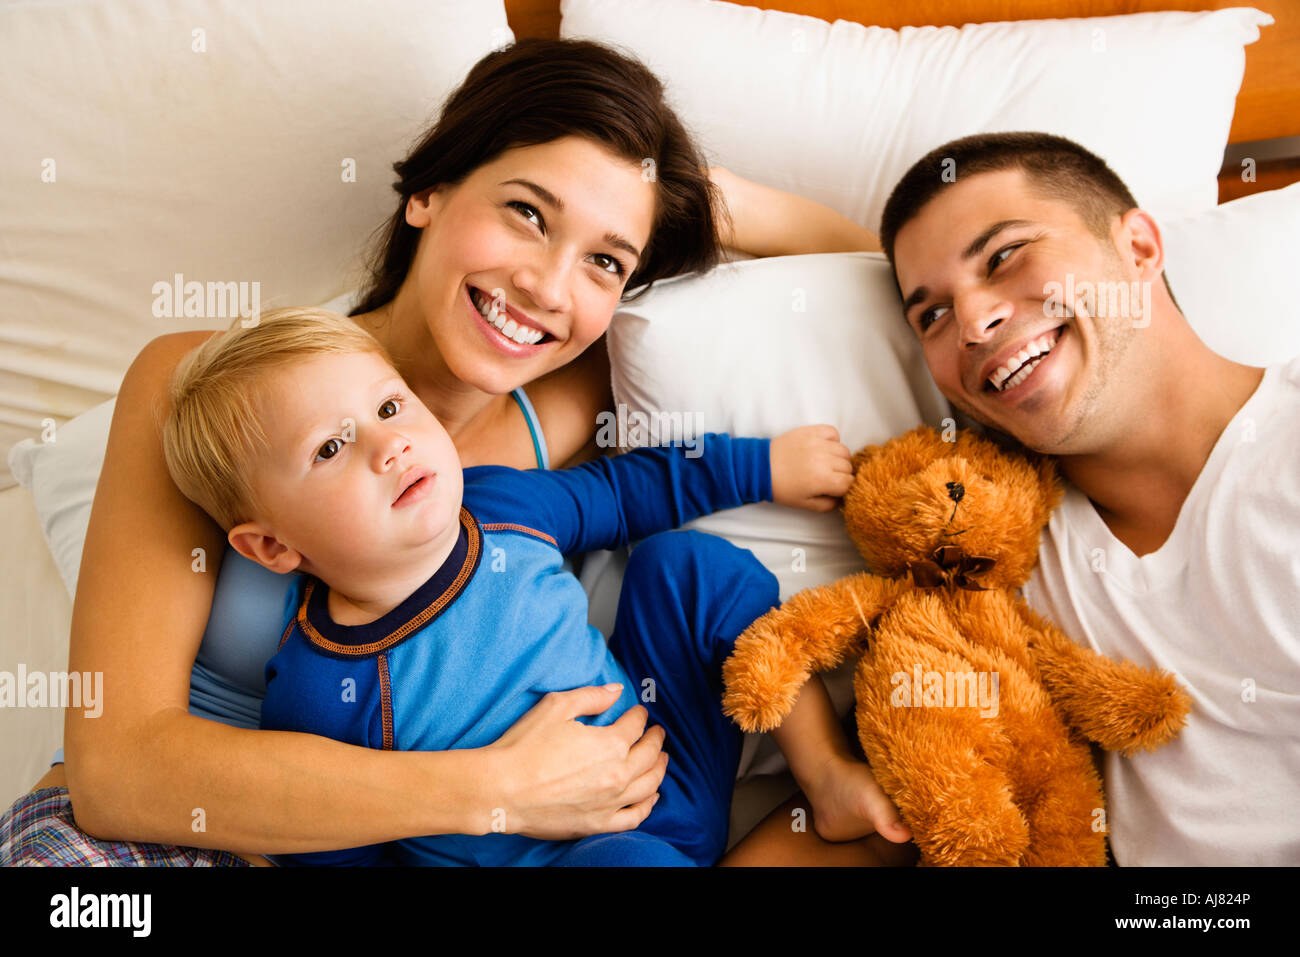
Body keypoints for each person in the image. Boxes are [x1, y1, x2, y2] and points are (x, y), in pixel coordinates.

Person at [0, 37, 890, 866]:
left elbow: (877, 272)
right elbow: (120, 772)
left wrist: (680, 183)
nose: (547, 286)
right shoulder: (205, 390)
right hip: (133, 844)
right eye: (527, 213)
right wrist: (498, 789)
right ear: (428, 191)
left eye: (606, 261)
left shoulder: (575, 401)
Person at [158, 306, 894, 866]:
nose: (390, 445)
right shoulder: (322, 688)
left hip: (670, 757)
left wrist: (762, 465)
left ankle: (823, 770)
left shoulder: (503, 506)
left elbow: (625, 490)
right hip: (574, 855)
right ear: (273, 546)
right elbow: (343, 841)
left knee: (682, 566)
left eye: (388, 407)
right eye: (328, 448)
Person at [874, 131, 1297, 865]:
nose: (973, 323)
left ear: (1137, 248)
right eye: (931, 315)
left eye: (1004, 256)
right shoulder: (1000, 544)